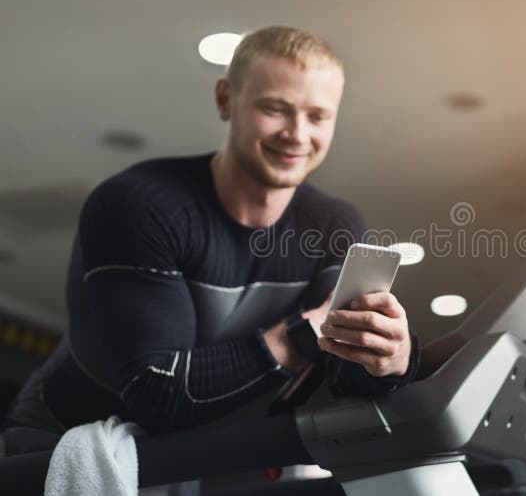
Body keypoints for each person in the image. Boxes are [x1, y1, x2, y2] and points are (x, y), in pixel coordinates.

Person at [0, 26, 419, 461]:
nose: (297, 134)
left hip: (194, 455)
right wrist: (306, 333)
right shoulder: (140, 205)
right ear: (225, 99)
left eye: (317, 116)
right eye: (275, 109)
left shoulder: (336, 226)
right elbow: (159, 395)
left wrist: (391, 359)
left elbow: (343, 380)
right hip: (61, 447)